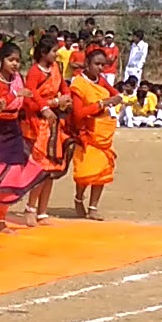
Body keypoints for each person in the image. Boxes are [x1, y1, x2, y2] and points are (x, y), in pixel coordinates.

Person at [0, 40, 46, 236]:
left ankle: (1, 220)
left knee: (13, 175)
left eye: (18, 60)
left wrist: (45, 107)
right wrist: (14, 95)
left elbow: (27, 101)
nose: (15, 64)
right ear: (1, 61)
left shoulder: (18, 79)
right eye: (11, 60)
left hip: (13, 130)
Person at [22, 34, 75, 226]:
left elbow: (64, 89)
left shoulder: (56, 69)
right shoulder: (35, 72)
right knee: (40, 168)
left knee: (51, 167)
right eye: (54, 51)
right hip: (38, 124)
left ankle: (42, 211)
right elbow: (29, 98)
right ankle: (30, 208)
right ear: (44, 53)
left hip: (54, 124)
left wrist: (65, 100)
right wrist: (50, 104)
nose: (57, 54)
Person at [69, 49, 122, 220]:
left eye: (103, 65)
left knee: (102, 172)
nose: (100, 68)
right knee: (85, 172)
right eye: (97, 64)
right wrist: (102, 104)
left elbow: (115, 94)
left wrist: (115, 100)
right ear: (87, 64)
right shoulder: (78, 83)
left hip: (103, 132)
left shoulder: (101, 80)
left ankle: (93, 207)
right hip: (86, 133)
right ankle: (78, 199)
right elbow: (78, 113)